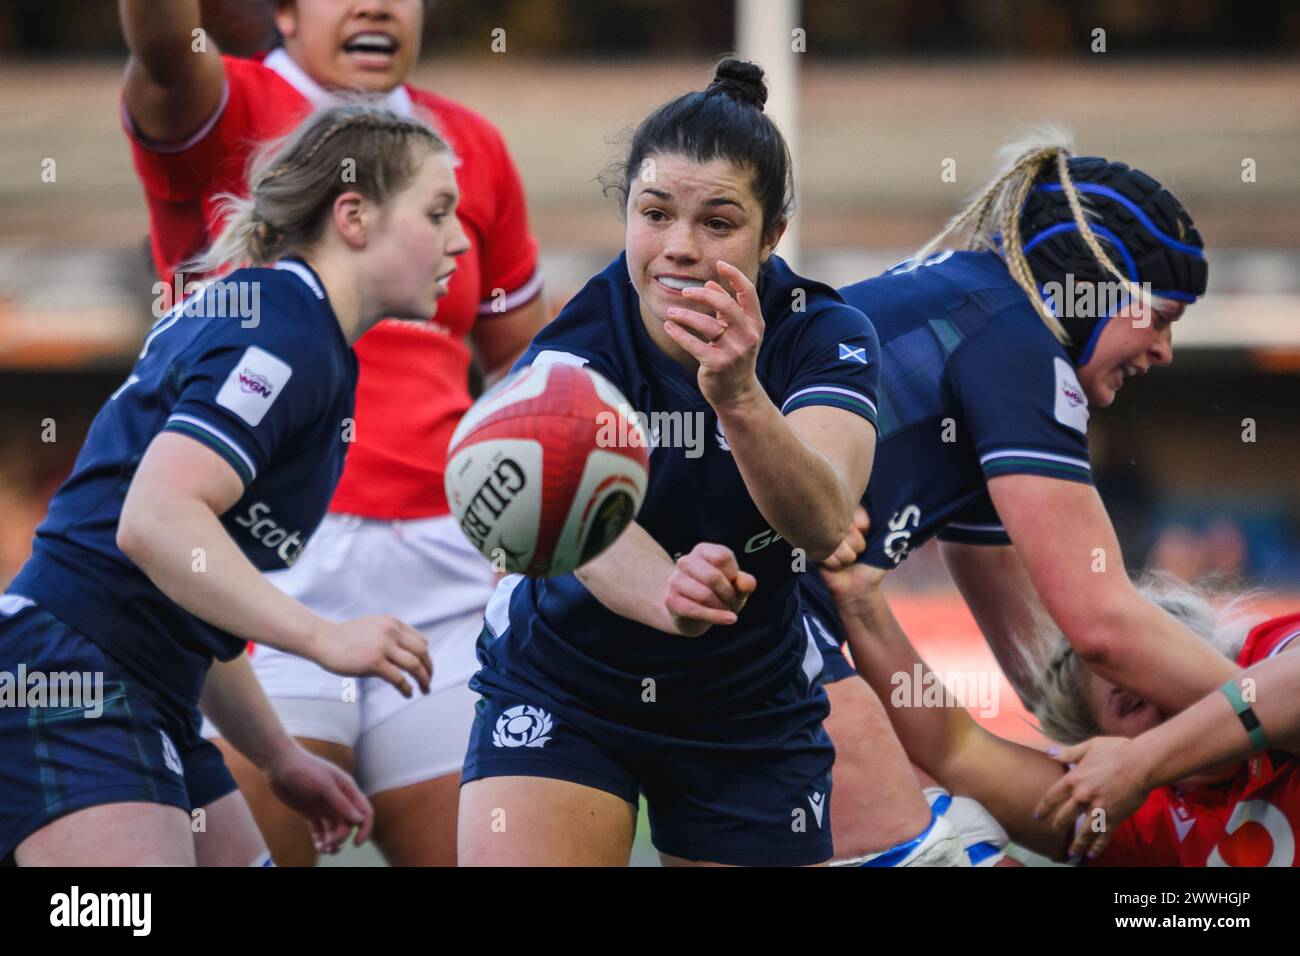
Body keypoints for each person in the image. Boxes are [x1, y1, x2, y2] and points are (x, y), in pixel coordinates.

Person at [119, 0, 545, 865]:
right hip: (257, 561)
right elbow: (162, 42)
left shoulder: (469, 144)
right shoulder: (223, 103)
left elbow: (527, 370)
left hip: (448, 567)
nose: (377, 5)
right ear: (280, 9)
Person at [0, 104, 456, 866]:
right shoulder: (285, 330)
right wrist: (324, 636)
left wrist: (278, 757)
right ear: (353, 215)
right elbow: (154, 521)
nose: (458, 239)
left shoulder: (294, 325)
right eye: (437, 211)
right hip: (73, 676)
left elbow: (189, 593)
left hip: (146, 684)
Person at [457, 59, 879, 867]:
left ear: (772, 236)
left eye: (718, 222)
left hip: (746, 706)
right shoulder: (574, 347)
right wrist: (665, 589)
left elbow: (824, 522)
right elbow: (558, 502)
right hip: (563, 685)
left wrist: (741, 395)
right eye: (654, 214)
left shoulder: (825, 333)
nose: (678, 249)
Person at [797, 129, 1232, 863]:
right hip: (745, 611)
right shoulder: (1022, 341)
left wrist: (1147, 765)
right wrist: (1259, 721)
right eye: (1159, 318)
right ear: (1096, 281)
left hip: (681, 589)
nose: (1162, 351)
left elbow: (1042, 672)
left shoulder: (971, 311)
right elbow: (1099, 625)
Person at [824, 564, 1300, 866]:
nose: (1161, 700)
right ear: (1097, 744)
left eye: (1161, 671)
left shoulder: (1266, 656)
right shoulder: (1132, 819)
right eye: (1131, 706)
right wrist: (859, 598)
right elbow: (955, 749)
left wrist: (1141, 762)